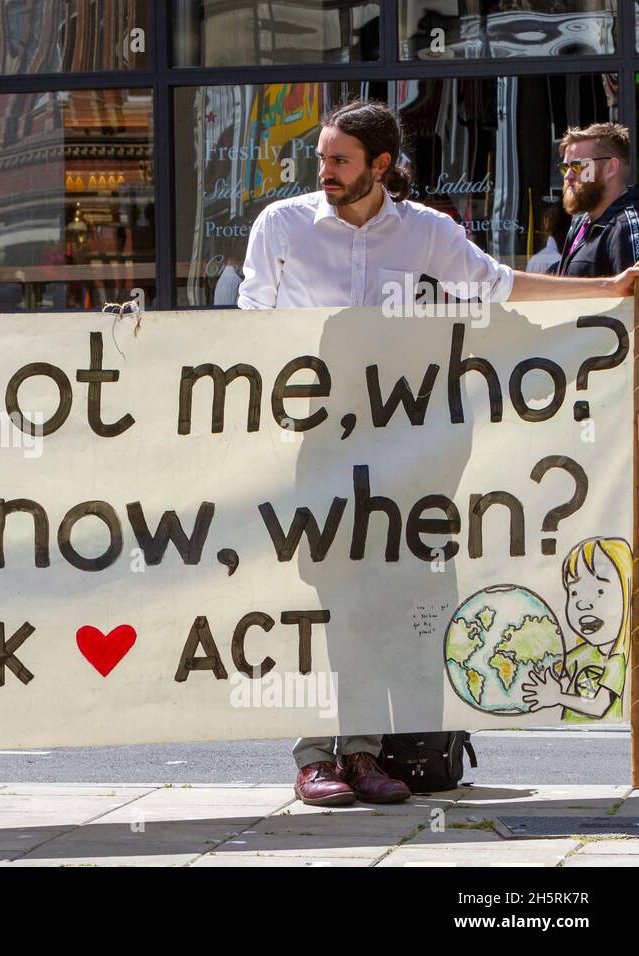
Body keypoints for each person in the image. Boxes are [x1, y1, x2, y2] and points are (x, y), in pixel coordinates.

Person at [238, 99, 639, 807]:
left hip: (399, 451)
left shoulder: (425, 232)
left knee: (377, 599)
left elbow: (500, 286)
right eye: (322, 159)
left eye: (339, 160)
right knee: (323, 602)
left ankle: (361, 755)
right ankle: (312, 757)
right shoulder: (283, 226)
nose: (323, 172)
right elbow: (248, 324)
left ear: (380, 166)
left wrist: (606, 290)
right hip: (310, 445)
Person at [522, 536, 631, 722]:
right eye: (574, 592)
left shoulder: (615, 660)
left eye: (600, 591)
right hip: (567, 730)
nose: (582, 604)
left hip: (600, 738)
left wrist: (557, 697)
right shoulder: (578, 654)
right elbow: (561, 683)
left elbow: (599, 706)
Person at [554, 123, 639, 278]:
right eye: (565, 168)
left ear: (610, 168)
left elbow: (634, 299)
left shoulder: (626, 225)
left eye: (578, 166)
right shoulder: (580, 223)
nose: (568, 176)